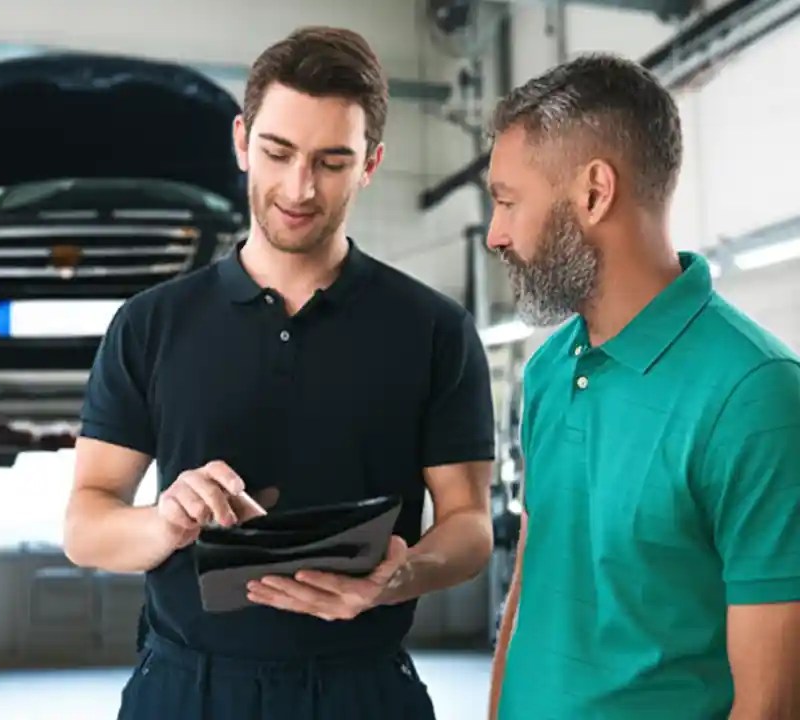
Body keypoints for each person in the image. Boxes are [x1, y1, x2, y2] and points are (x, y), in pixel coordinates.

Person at [63, 26, 497, 720]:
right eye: (278, 152)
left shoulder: (434, 330)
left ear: (371, 164)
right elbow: (87, 521)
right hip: (187, 690)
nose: (300, 187)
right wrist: (165, 523)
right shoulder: (151, 324)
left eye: (332, 161)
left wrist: (398, 577)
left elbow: (470, 523)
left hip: (363, 687)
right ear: (241, 141)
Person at [485, 54, 800, 720]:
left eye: (508, 202)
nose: (496, 234)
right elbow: (532, 587)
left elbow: (771, 702)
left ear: (594, 193)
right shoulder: (547, 369)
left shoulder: (756, 395)